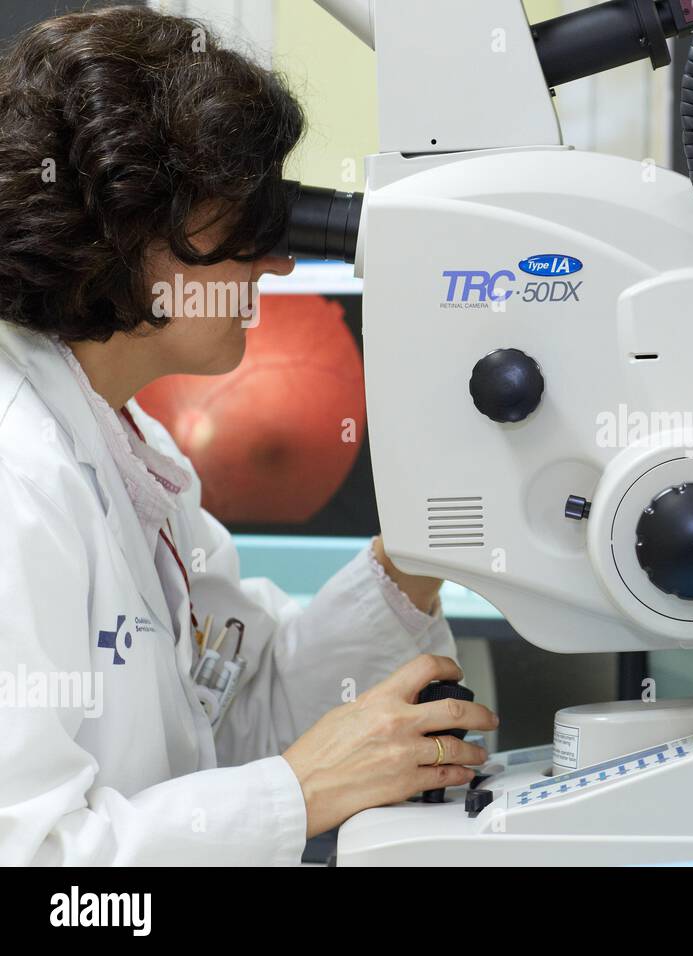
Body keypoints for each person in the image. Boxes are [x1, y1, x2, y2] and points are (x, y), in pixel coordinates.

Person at [0, 5, 497, 865]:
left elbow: (239, 707)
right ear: (125, 225)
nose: (279, 261)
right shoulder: (20, 480)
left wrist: (414, 557)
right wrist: (299, 795)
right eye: (246, 224)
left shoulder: (122, 443)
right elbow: (40, 864)